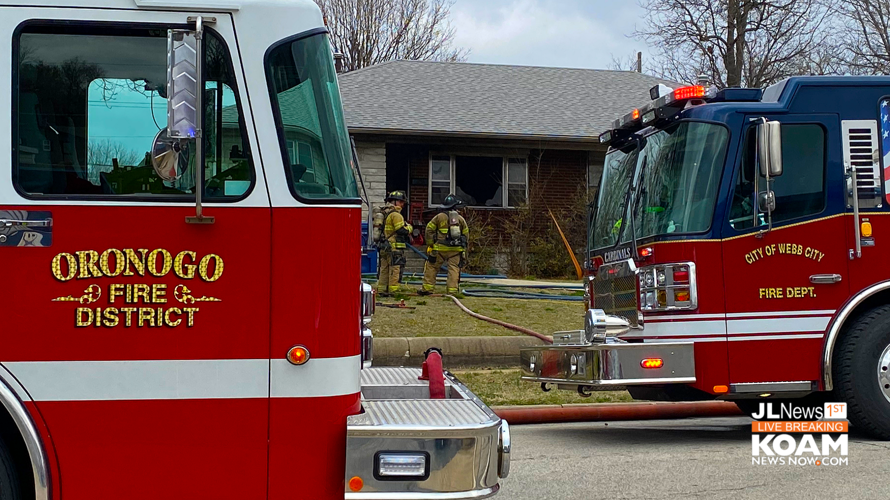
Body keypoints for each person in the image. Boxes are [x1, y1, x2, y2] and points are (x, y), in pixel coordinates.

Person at [420, 194, 469, 295]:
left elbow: (429, 230)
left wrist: (430, 244)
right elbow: (466, 234)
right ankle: (452, 291)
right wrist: (463, 247)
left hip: (439, 249)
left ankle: (427, 289)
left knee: (432, 267)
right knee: (454, 269)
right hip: (456, 250)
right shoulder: (460, 219)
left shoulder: (439, 217)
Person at [376, 190, 411, 296]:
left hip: (384, 246)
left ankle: (382, 290)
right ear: (395, 202)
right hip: (394, 247)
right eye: (401, 202)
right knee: (395, 269)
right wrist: (409, 228)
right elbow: (401, 230)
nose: (403, 204)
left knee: (384, 269)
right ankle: (393, 291)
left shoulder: (385, 213)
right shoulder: (396, 215)